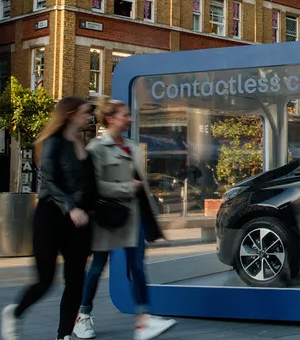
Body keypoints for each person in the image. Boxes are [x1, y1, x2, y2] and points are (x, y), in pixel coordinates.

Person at [72, 98, 176, 340]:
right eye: (124, 114)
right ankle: (82, 316)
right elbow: (95, 185)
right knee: (97, 266)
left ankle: (143, 320)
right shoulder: (97, 148)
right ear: (110, 118)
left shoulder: (132, 146)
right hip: (108, 216)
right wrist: (127, 187)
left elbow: (140, 185)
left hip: (133, 216)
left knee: (137, 266)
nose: (129, 118)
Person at [1, 97, 97, 340]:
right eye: (85, 112)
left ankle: (63, 335)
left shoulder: (84, 145)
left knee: (75, 281)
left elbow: (89, 186)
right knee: (45, 280)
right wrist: (71, 207)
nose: (90, 116)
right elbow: (50, 182)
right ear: (71, 114)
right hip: (51, 216)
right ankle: (14, 313)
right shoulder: (53, 142)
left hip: (79, 221)